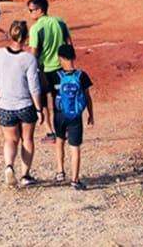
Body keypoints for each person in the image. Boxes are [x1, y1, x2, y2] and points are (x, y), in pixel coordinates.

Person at [0, 19, 43, 187]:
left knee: (10, 140)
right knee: (27, 139)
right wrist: (39, 109)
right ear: (26, 37)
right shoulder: (29, 59)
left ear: (11, 34)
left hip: (4, 106)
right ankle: (25, 175)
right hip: (25, 106)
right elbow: (34, 87)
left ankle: (9, 165)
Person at [27, 0, 72, 144]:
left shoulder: (36, 29)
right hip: (61, 68)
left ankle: (50, 132)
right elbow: (69, 43)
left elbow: (33, 53)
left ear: (40, 10)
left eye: (31, 10)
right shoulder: (60, 22)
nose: (30, 13)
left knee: (43, 102)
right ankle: (65, 129)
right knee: (60, 99)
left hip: (44, 69)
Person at [52, 44, 94, 190]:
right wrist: (90, 114)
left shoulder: (56, 76)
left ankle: (60, 172)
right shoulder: (82, 75)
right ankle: (75, 180)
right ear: (74, 57)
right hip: (75, 116)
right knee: (75, 147)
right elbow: (87, 97)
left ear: (60, 58)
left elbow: (50, 94)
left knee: (59, 141)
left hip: (59, 115)